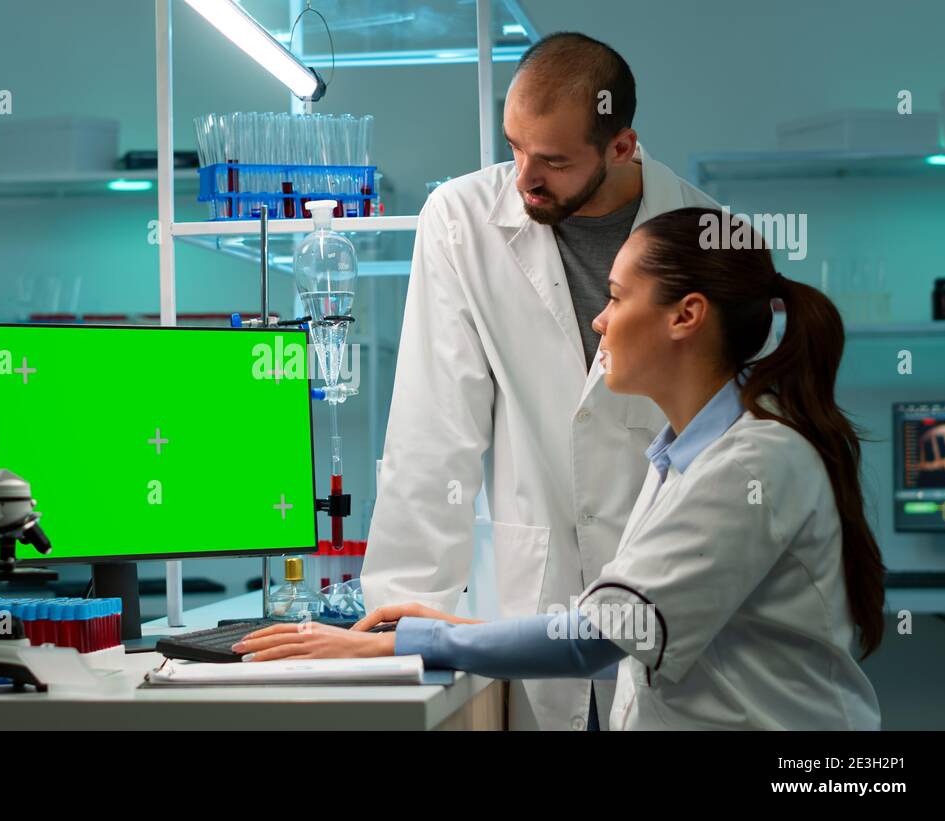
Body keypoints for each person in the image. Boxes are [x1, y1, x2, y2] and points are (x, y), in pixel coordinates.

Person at [236, 207, 885, 731]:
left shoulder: (752, 461)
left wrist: (408, 643)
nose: (600, 320)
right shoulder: (684, 450)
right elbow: (630, 624)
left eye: (616, 297)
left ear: (686, 315)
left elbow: (595, 640)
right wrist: (453, 628)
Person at [357, 32, 728, 730]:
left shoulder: (709, 238)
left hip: (676, 620)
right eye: (515, 147)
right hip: (531, 611)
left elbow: (724, 449)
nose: (524, 178)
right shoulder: (462, 222)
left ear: (622, 148)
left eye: (553, 160)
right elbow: (432, 438)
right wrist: (396, 632)